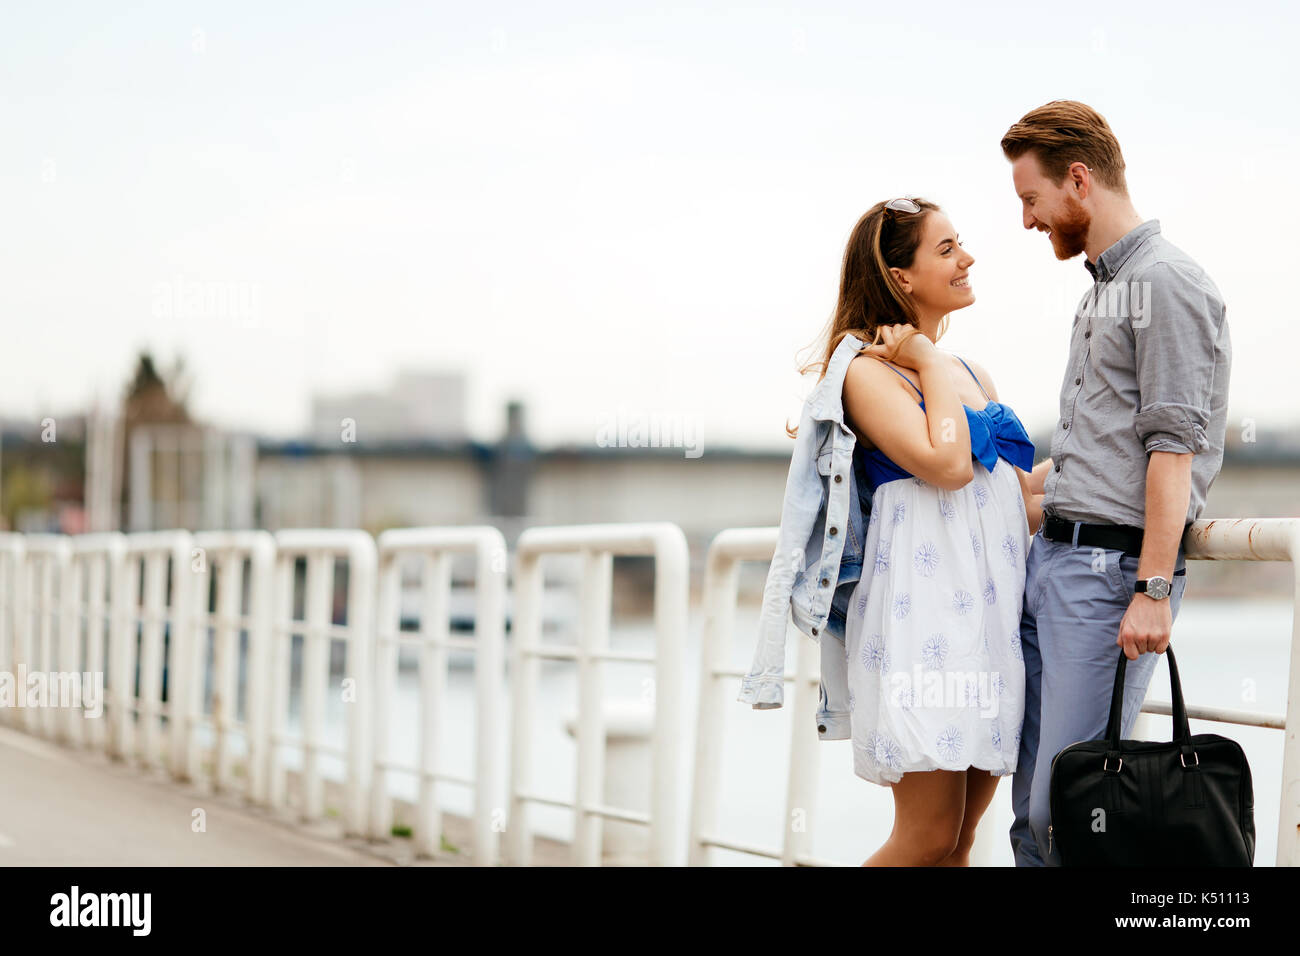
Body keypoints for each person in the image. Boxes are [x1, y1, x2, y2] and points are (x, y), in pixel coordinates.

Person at [999, 100, 1232, 866]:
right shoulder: (1106, 286)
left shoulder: (1165, 284)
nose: (1028, 220)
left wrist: (1154, 590)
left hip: (1107, 578)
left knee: (1067, 815)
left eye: (1031, 199)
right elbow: (1114, 446)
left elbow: (1173, 453)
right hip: (1056, 566)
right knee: (1032, 816)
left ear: (1077, 181)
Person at [834, 197, 1041, 865]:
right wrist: (921, 358)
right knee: (924, 836)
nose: (967, 258)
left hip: (989, 620)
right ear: (901, 276)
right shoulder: (869, 374)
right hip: (922, 625)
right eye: (947, 248)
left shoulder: (973, 374)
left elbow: (1008, 499)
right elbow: (950, 465)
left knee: (959, 843)